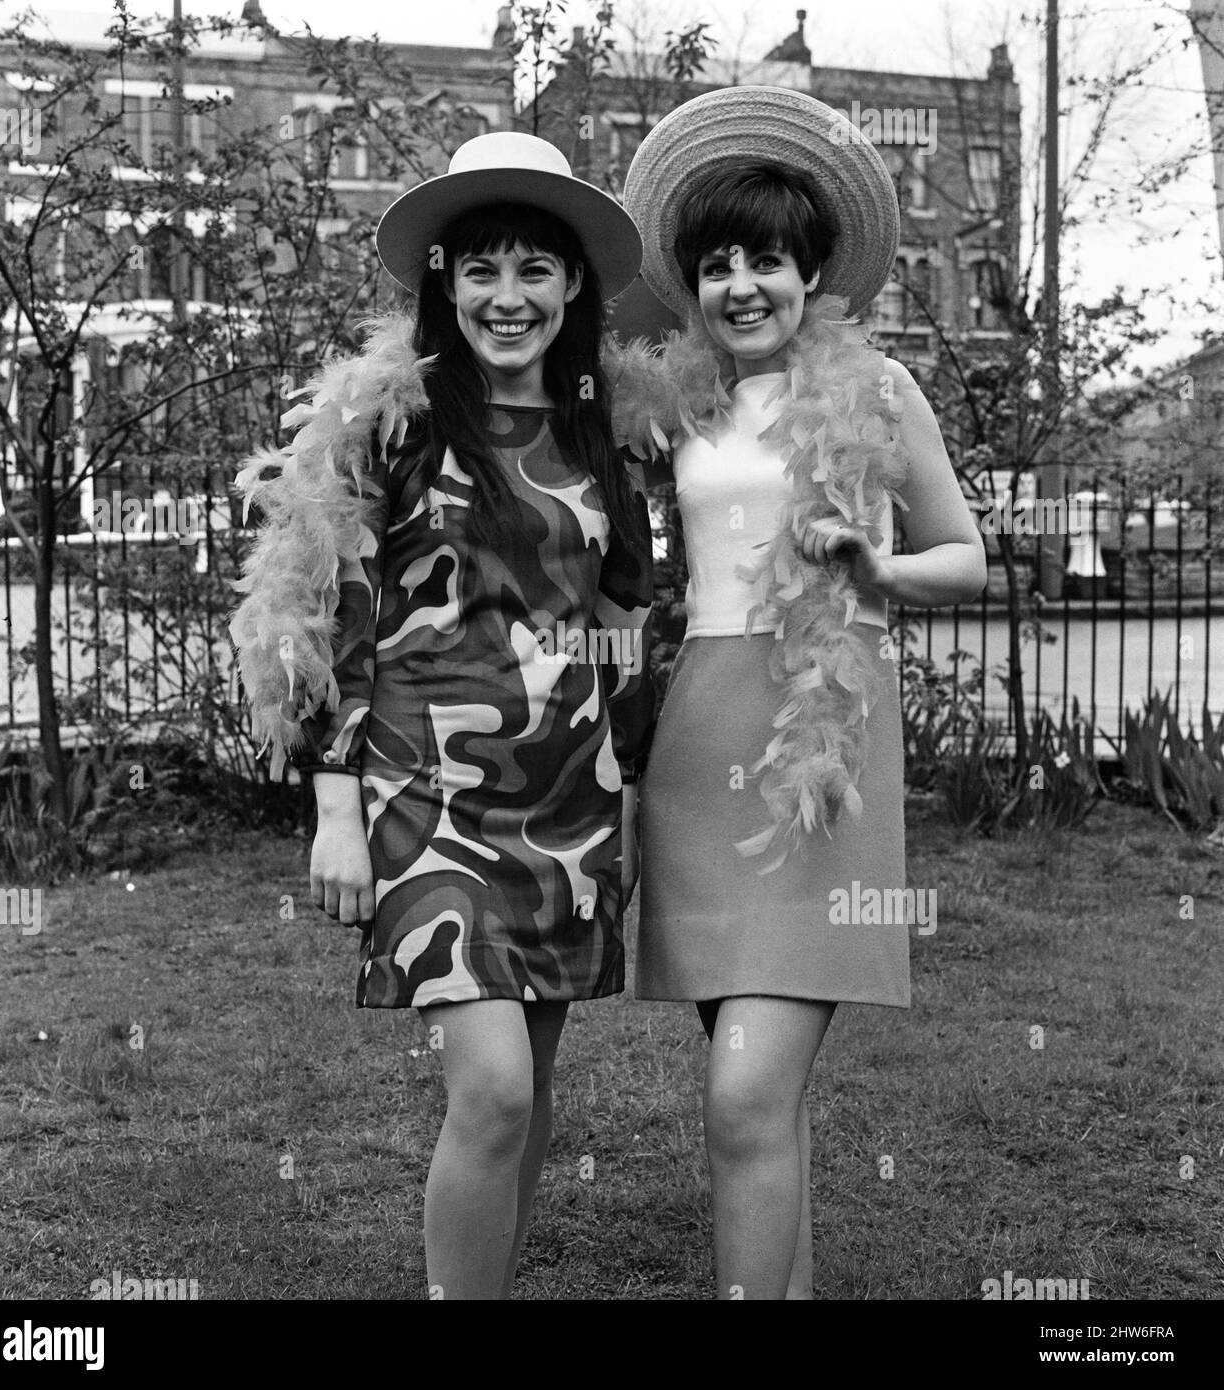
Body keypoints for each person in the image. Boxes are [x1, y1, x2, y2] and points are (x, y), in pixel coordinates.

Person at [229, 132, 652, 1299]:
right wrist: (333, 806)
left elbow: (625, 622)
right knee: (496, 1088)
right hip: (426, 801)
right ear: (444, 284)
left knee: (536, 1086)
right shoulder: (394, 429)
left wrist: (635, 776)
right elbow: (333, 620)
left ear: (570, 286)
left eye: (532, 270)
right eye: (480, 269)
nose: (505, 297)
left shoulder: (601, 434)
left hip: (569, 807)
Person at [612, 86, 987, 1300]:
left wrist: (877, 567)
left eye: (763, 260)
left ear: (808, 270)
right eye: (714, 264)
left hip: (817, 743)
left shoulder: (875, 392)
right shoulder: (678, 404)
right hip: (697, 742)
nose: (739, 286)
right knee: (751, 1098)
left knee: (742, 1093)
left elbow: (966, 556)